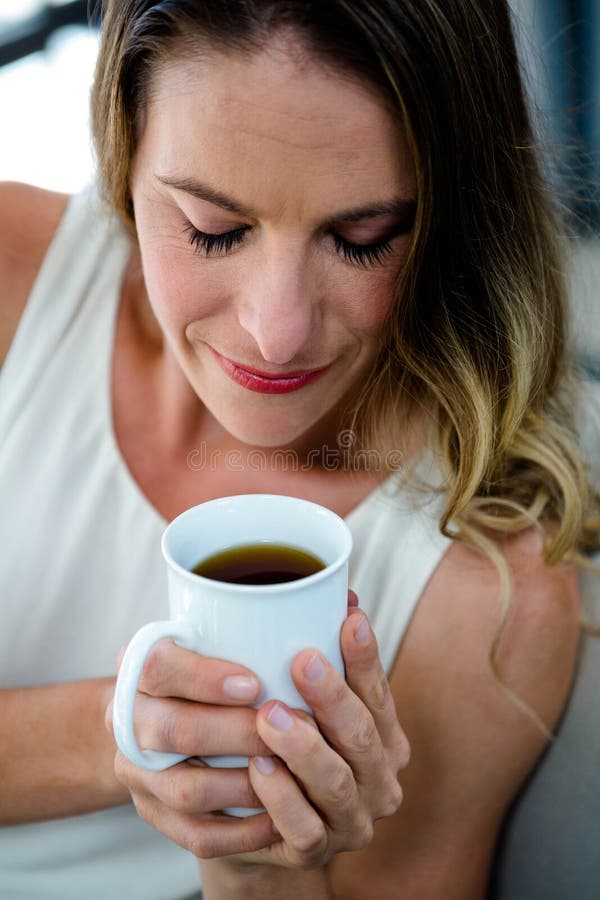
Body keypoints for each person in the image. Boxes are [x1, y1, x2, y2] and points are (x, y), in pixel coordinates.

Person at [0, 0, 598, 898]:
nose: (276, 334)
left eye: (363, 240)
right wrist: (136, 730)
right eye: (213, 227)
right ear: (124, 146)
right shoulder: (14, 282)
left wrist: (249, 853)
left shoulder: (486, 595)